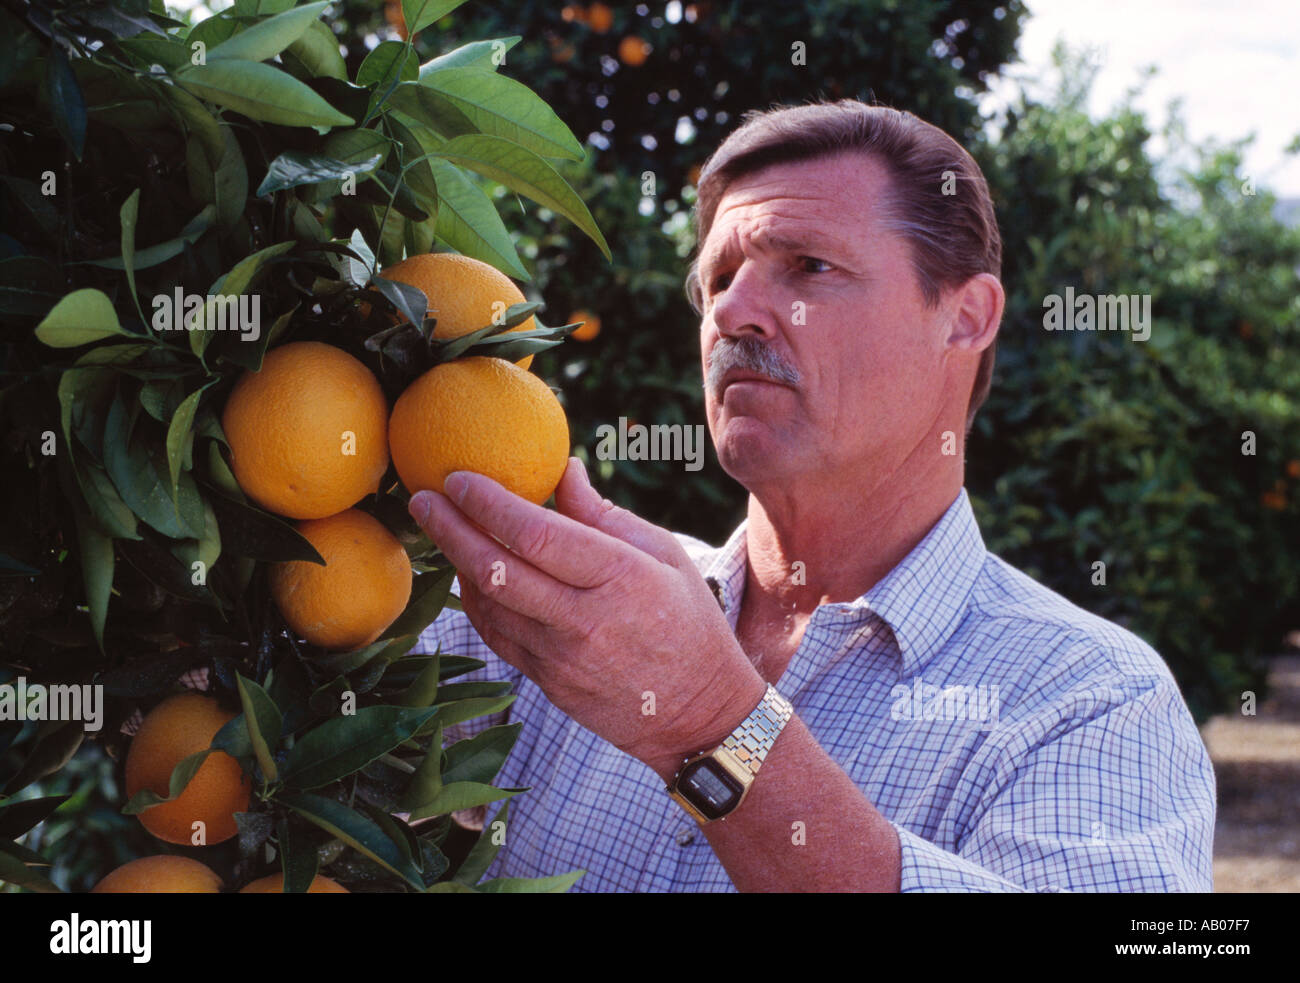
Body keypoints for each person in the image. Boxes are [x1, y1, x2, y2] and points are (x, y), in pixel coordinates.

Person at [407, 100, 1216, 892]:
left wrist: (714, 723)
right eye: (719, 277)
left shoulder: (1091, 698)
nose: (731, 311)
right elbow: (306, 699)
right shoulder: (583, 607)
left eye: (809, 267)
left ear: (966, 318)